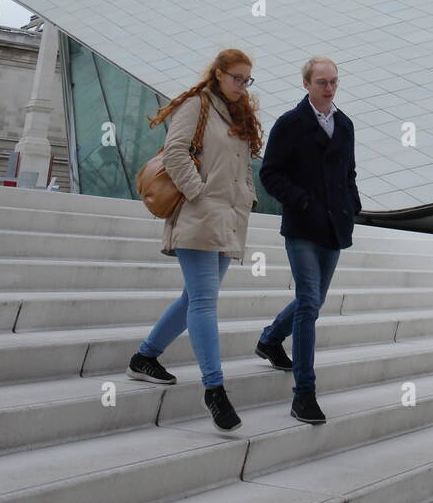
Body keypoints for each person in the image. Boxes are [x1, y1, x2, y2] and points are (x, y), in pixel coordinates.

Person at [127, 48, 263, 433]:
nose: (242, 85)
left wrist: (247, 195)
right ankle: (214, 389)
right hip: (199, 216)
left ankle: (144, 358)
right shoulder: (197, 104)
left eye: (247, 79)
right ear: (218, 74)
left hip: (228, 218)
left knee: (193, 297)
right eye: (236, 77)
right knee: (204, 301)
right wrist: (198, 193)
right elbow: (174, 152)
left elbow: (242, 165)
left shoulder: (238, 113)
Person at [257, 56, 361, 424]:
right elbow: (269, 174)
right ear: (306, 84)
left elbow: (348, 172)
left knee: (312, 301)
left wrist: (353, 204)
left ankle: (270, 339)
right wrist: (301, 200)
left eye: (333, 81)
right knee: (307, 305)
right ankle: (304, 394)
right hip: (302, 228)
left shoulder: (345, 125)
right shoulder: (289, 124)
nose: (329, 88)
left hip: (334, 228)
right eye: (321, 82)